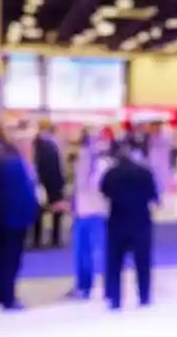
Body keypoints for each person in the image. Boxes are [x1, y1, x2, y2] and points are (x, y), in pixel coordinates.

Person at [100, 145, 160, 309]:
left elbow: (103, 192)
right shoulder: (145, 172)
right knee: (143, 262)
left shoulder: (111, 174)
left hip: (117, 220)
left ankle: (115, 298)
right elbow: (154, 196)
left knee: (114, 262)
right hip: (141, 221)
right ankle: (144, 296)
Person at [0, 127, 40, 310]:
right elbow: (20, 194)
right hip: (13, 218)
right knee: (10, 258)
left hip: (7, 216)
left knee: (3, 257)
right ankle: (8, 297)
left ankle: (2, 294)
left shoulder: (6, 160)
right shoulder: (14, 164)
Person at [67, 131, 111, 300]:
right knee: (81, 253)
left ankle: (108, 286)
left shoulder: (102, 166)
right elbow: (78, 189)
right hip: (82, 214)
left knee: (100, 252)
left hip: (97, 213)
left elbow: (99, 189)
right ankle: (83, 286)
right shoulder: (81, 164)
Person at [32, 120, 68, 249]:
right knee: (45, 211)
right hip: (48, 181)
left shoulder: (45, 144)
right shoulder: (46, 144)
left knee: (46, 211)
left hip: (47, 181)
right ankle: (49, 238)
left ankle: (45, 238)